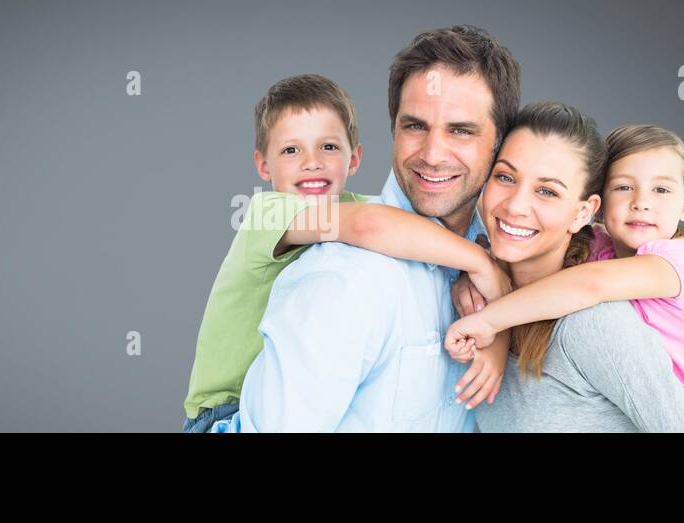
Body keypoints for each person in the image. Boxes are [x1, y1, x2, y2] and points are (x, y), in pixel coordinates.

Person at [212, 25, 521, 432]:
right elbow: (371, 226)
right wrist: (482, 264)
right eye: (414, 126)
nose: (432, 154)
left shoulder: (512, 252)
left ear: (500, 144)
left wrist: (499, 317)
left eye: (460, 130)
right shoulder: (344, 278)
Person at [445, 124, 684, 432]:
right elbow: (521, 243)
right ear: (597, 207)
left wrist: (490, 320)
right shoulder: (600, 246)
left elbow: (590, 284)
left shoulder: (679, 259)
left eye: (661, 190)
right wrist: (478, 270)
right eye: (624, 187)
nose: (641, 202)